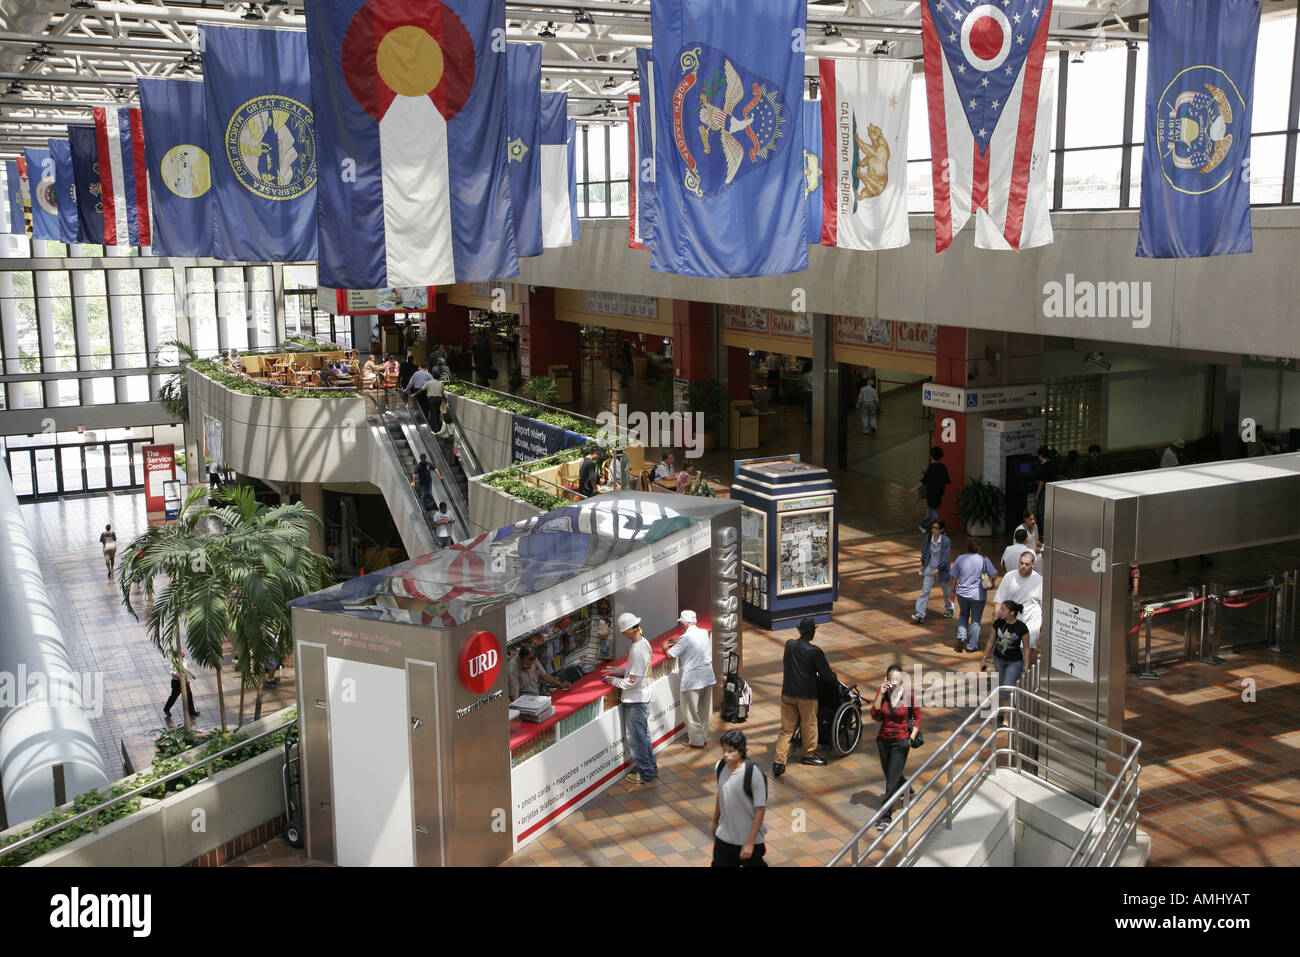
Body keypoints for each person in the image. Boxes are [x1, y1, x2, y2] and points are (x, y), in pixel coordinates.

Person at [772, 616, 833, 776]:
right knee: (809, 724)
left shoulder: (789, 645)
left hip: (788, 692)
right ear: (811, 633)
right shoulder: (815, 651)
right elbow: (827, 674)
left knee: (786, 728)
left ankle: (779, 761)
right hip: (806, 695)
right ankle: (809, 755)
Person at [603, 613, 656, 784]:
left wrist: (615, 681)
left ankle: (645, 773)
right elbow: (635, 671)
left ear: (628, 631)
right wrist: (619, 671)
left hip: (636, 700)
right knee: (644, 736)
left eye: (623, 632)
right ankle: (649, 768)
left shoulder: (636, 649)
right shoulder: (644, 643)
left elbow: (634, 680)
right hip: (643, 697)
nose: (623, 635)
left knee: (637, 739)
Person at [869, 663, 921, 831]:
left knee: (890, 782)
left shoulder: (909, 696)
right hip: (883, 740)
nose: (895, 683)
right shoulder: (882, 694)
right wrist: (881, 694)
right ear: (887, 679)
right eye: (892, 679)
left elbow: (918, 719)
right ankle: (907, 788)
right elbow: (874, 714)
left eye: (898, 680)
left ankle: (885, 816)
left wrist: (910, 739)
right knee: (890, 772)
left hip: (901, 741)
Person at [711, 729, 767, 867]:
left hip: (748, 839)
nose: (726, 755)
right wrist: (715, 821)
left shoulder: (753, 773)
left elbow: (760, 810)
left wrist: (750, 842)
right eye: (724, 750)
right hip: (725, 836)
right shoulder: (720, 767)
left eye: (730, 751)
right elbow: (721, 794)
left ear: (741, 751)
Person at [664, 610, 715, 748]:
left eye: (681, 623)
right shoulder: (703, 633)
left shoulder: (685, 638)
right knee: (703, 711)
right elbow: (689, 646)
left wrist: (664, 648)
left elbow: (671, 654)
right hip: (708, 676)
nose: (681, 626)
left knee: (690, 713)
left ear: (685, 623)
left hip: (692, 680)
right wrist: (679, 642)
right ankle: (703, 737)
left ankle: (696, 741)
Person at [948, 539, 999, 654]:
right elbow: (994, 574)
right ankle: (972, 646)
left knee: (963, 614)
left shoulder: (960, 559)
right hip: (978, 595)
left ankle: (961, 637)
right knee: (975, 620)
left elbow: (954, 578)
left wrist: (952, 591)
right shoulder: (984, 560)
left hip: (962, 593)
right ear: (979, 548)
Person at [983, 600, 1032, 709]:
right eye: (1001, 609)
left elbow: (1027, 648)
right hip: (999, 660)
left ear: (1012, 613)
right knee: (1002, 686)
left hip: (1014, 662)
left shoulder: (1021, 628)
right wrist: (985, 657)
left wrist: (1026, 665)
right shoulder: (998, 623)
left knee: (1006, 689)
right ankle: (1011, 706)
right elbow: (991, 641)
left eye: (1003, 610)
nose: (1000, 612)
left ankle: (1007, 717)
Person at [994, 550, 1044, 651]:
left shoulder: (1039, 581)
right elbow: (999, 600)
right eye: (1021, 563)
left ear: (1033, 564)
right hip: (1011, 624)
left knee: (1024, 654)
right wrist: (996, 620)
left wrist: (1042, 630)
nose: (1023, 566)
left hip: (1030, 626)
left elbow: (1045, 608)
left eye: (1027, 564)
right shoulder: (1009, 577)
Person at [911, 520, 953, 623]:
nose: (934, 530)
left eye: (936, 528)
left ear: (942, 530)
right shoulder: (928, 538)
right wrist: (923, 563)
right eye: (933, 527)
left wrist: (938, 569)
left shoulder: (946, 541)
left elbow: (945, 558)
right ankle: (920, 614)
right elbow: (925, 551)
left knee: (946, 591)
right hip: (930, 567)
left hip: (942, 570)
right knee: (925, 591)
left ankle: (950, 608)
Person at [912, 446, 951, 532]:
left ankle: (935, 527)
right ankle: (924, 526)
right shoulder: (943, 467)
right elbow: (946, 480)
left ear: (931, 456)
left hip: (931, 492)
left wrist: (914, 489)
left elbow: (924, 481)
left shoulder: (931, 467)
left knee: (931, 511)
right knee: (932, 509)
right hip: (940, 492)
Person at [163, 649, 200, 719]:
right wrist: (182, 678)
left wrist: (186, 680)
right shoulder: (175, 662)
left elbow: (184, 671)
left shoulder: (184, 660)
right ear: (179, 654)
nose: (184, 653)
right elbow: (173, 673)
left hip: (184, 681)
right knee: (174, 696)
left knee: (189, 695)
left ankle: (191, 711)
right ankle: (166, 708)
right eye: (182, 653)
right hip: (177, 682)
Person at [1033, 446, 1058, 539]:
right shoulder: (1053, 464)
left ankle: (1045, 532)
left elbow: (1042, 482)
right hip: (1053, 491)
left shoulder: (1043, 466)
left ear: (1040, 456)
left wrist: (1037, 494)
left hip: (1044, 492)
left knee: (1042, 512)